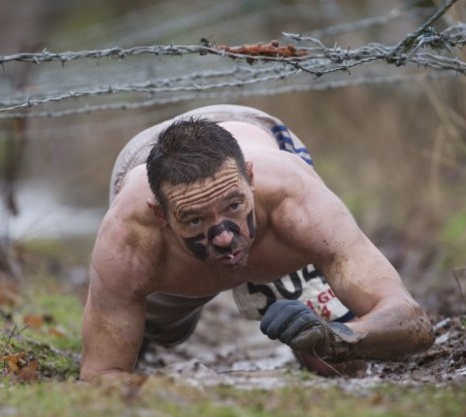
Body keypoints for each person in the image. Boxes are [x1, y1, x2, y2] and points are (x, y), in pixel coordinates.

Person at [80, 104, 433, 382]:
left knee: (341, 365)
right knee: (152, 336)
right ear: (161, 217)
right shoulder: (128, 239)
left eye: (233, 206)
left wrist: (337, 337)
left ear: (251, 179)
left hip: (249, 132)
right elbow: (100, 374)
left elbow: (411, 320)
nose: (223, 237)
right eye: (194, 219)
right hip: (142, 161)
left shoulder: (297, 204)